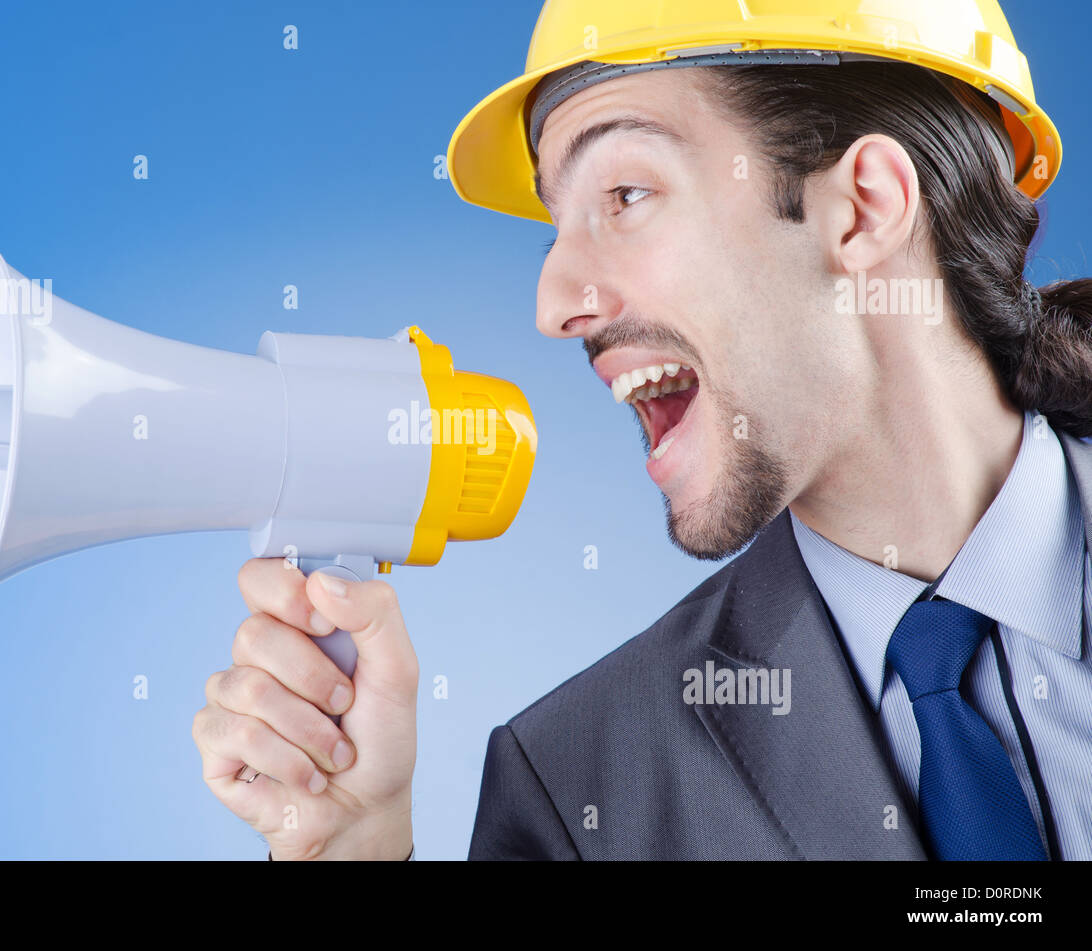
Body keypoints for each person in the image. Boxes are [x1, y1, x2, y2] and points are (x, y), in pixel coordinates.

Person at [192, 0, 1092, 859]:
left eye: (624, 194)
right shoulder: (579, 786)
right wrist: (353, 850)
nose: (551, 303)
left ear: (863, 205)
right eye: (556, 223)